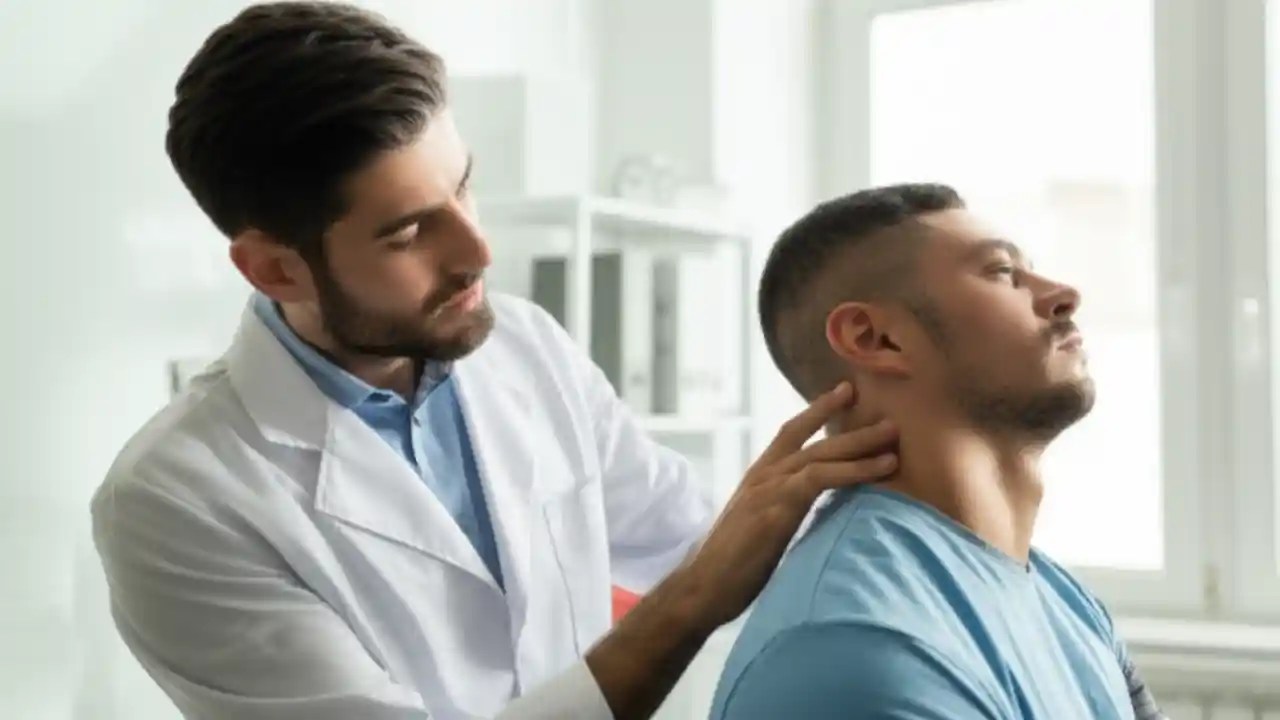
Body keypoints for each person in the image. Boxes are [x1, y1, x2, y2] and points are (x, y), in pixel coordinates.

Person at [88, 4, 903, 720]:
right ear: (275, 269)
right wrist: (693, 602)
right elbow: (703, 580)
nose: (478, 251)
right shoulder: (176, 500)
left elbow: (691, 539)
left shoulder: (523, 345)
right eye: (408, 233)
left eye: (465, 188)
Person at [710, 184, 1167, 720]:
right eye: (1002, 272)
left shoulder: (1066, 601)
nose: (1063, 294)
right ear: (875, 339)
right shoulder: (860, 647)